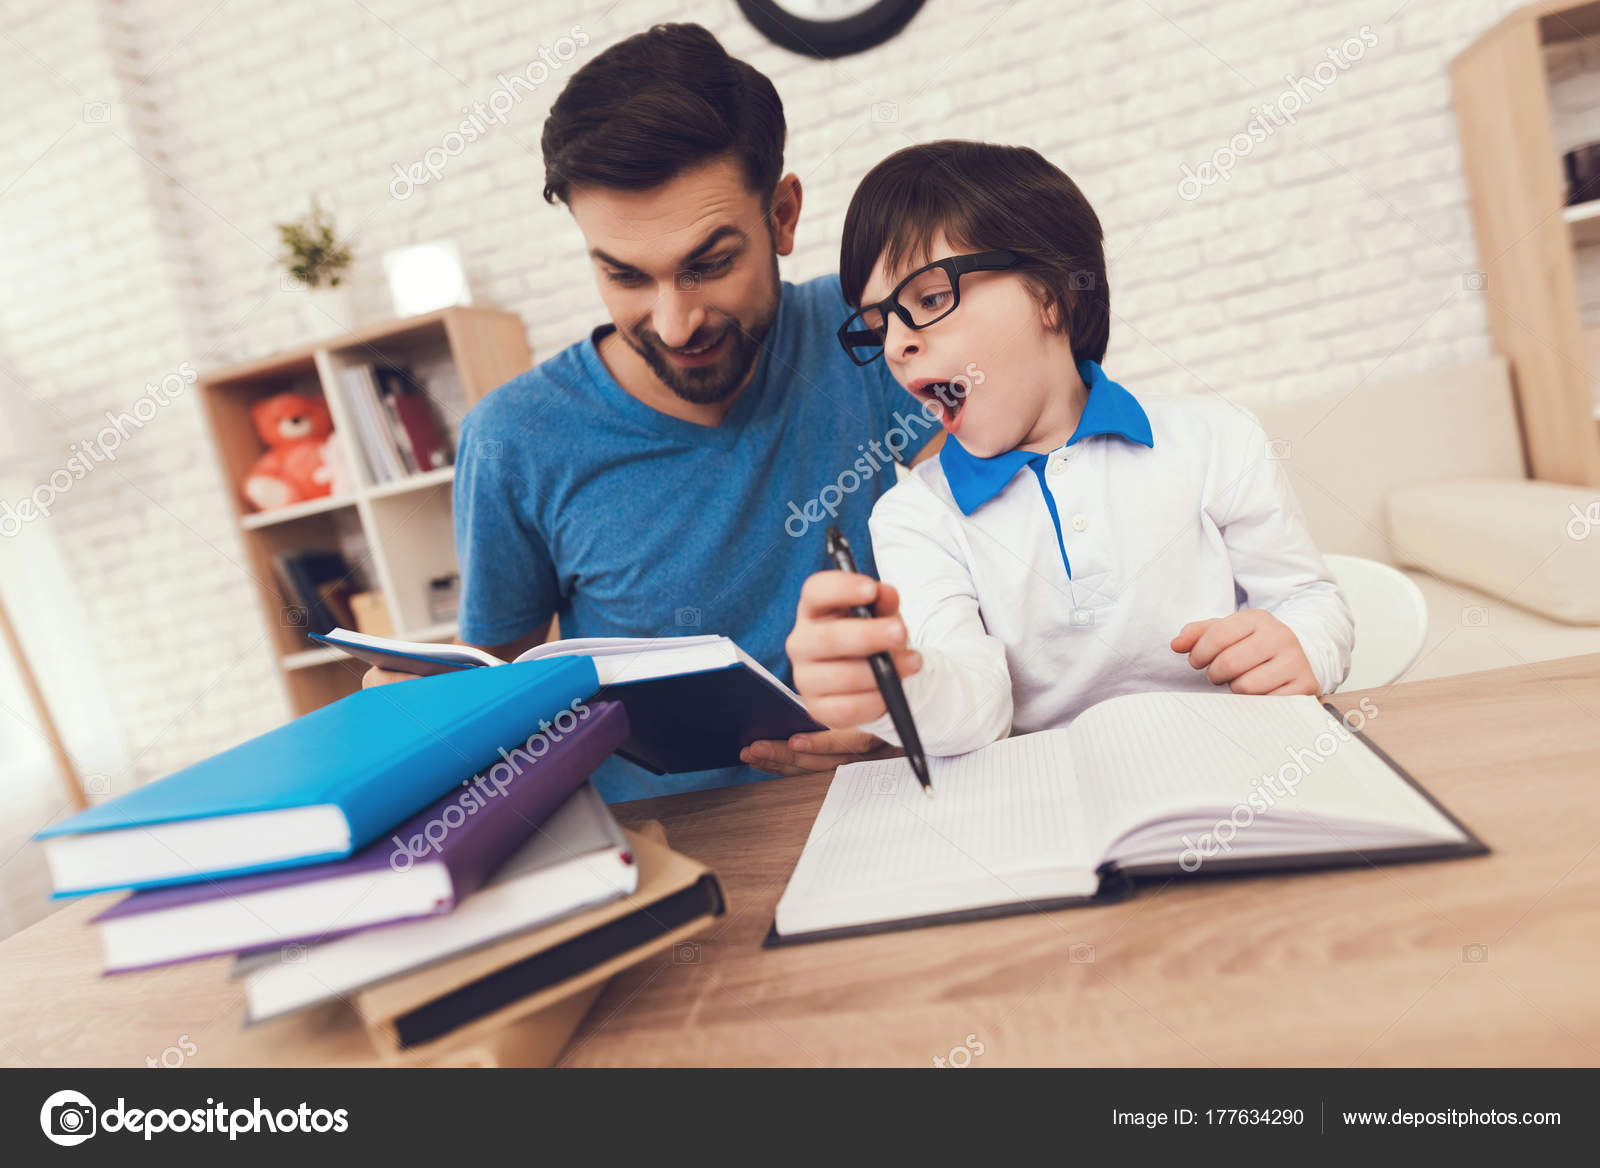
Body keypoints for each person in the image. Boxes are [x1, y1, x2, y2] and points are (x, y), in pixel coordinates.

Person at [365, 23, 941, 800]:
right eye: (625, 276)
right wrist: (428, 718)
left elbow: (997, 555)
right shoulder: (513, 440)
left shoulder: (870, 333)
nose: (674, 325)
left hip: (888, 805)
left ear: (782, 216)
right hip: (667, 852)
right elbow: (497, 704)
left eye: (711, 264)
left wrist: (915, 710)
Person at [782, 140, 1354, 755]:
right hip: (1047, 797)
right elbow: (975, 706)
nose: (896, 345)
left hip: (1234, 767)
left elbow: (1309, 600)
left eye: (929, 299)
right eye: (877, 326)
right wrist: (898, 688)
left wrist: (1303, 646)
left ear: (1052, 295)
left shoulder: (1215, 438)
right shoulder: (915, 517)